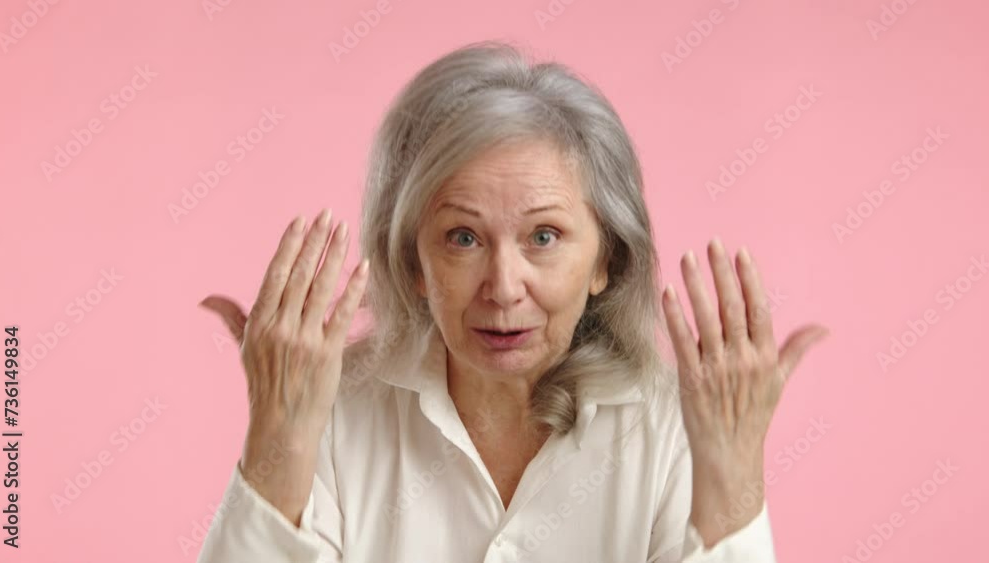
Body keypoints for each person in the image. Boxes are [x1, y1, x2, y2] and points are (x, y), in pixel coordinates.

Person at [196, 40, 828, 562]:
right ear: (413, 262)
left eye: (544, 237)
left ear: (605, 258)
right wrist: (277, 433)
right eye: (462, 237)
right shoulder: (334, 411)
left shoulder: (674, 427)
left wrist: (733, 476)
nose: (503, 287)